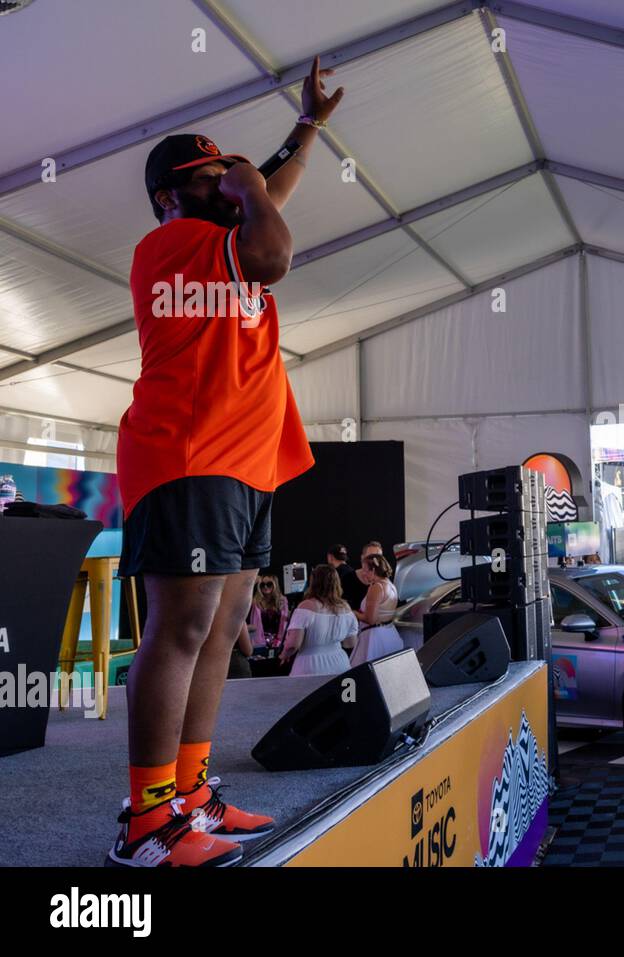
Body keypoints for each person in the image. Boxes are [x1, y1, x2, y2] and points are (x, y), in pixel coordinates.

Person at [110, 57, 343, 867]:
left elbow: (270, 195)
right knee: (179, 630)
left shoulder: (223, 231)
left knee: (221, 631)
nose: (228, 187)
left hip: (243, 462)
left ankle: (191, 792)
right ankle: (145, 822)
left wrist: (305, 127)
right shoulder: (172, 244)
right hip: (188, 455)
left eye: (226, 178)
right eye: (208, 180)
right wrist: (246, 175)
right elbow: (276, 251)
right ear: (172, 196)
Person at [280, 564, 358, 677]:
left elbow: (293, 644)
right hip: (340, 664)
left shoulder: (306, 606)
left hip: (310, 666)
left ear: (313, 582)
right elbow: (350, 643)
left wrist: (284, 655)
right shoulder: (345, 607)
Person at [350, 553, 404, 663]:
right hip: (389, 633)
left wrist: (352, 613)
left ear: (373, 570)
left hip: (374, 638)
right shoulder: (391, 585)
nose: (363, 573)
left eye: (365, 570)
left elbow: (370, 619)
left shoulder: (376, 587)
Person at [247, 574, 290, 656]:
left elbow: (285, 623)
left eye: (269, 584)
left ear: (275, 585)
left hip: (279, 642)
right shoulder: (255, 602)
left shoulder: (282, 601)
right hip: (260, 643)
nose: (266, 587)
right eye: (263, 585)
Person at [327, 543, 365, 610]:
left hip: (341, 610)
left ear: (330, 557)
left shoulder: (333, 574)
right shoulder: (353, 571)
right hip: (356, 611)